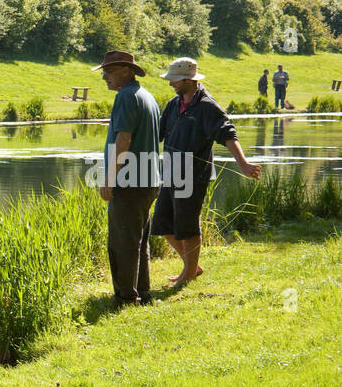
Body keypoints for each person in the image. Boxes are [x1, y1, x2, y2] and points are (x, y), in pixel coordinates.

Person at [154, 58, 261, 286]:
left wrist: (243, 164)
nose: (170, 84)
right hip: (171, 172)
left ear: (188, 80)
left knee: (187, 225)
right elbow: (157, 134)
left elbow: (228, 134)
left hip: (193, 175)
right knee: (162, 222)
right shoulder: (173, 104)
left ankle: (188, 273)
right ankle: (192, 266)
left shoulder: (207, 106)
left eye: (174, 80)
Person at [93, 50, 161, 308]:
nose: (104, 77)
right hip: (149, 180)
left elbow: (123, 139)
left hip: (130, 181)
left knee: (122, 243)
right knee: (138, 241)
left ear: (125, 71)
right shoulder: (147, 96)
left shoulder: (125, 97)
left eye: (108, 72)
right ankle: (142, 293)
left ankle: (125, 298)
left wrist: (109, 179)